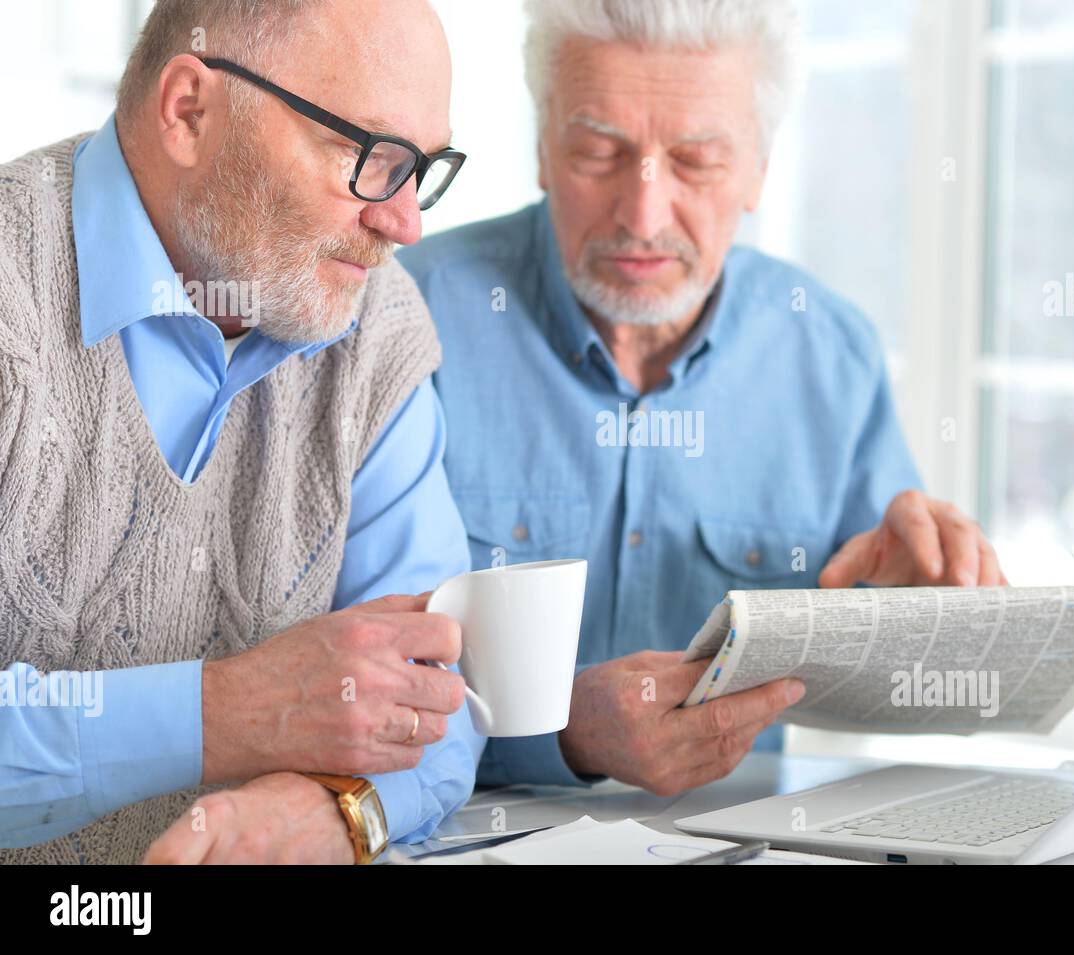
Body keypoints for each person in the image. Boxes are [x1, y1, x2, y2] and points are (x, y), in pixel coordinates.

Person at [398, 0, 1007, 798]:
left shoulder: (832, 358)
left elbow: (888, 657)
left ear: (758, 170)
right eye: (598, 151)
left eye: (695, 161)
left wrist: (923, 599)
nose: (644, 215)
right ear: (542, 146)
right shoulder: (411, 320)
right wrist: (568, 729)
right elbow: (348, 677)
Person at [0, 0, 480, 864]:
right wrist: (226, 713)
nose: (405, 222)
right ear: (190, 110)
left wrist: (335, 815)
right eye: (369, 156)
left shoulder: (372, 322)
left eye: (425, 169)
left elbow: (439, 704)